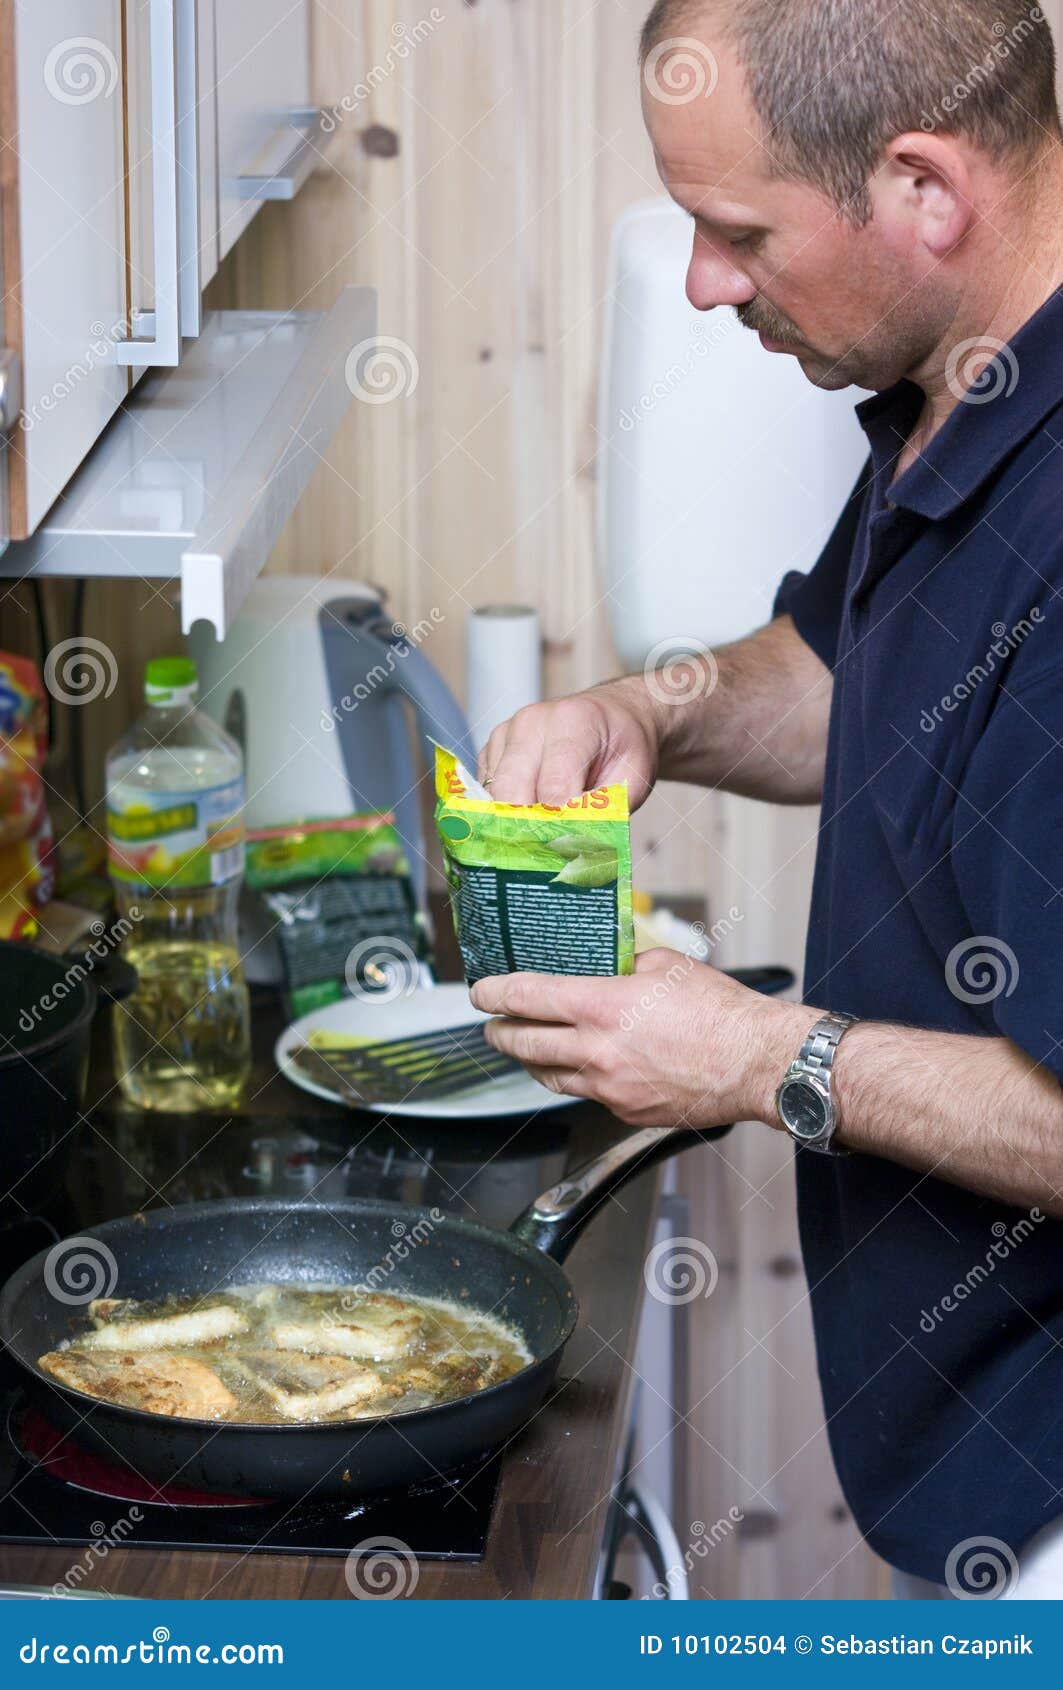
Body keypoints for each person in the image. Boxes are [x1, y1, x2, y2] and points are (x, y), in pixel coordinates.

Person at [470, 0, 1063, 1599]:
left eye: (739, 234)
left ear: (925, 187)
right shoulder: (972, 376)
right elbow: (856, 678)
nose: (702, 284)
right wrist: (645, 711)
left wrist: (754, 1055)